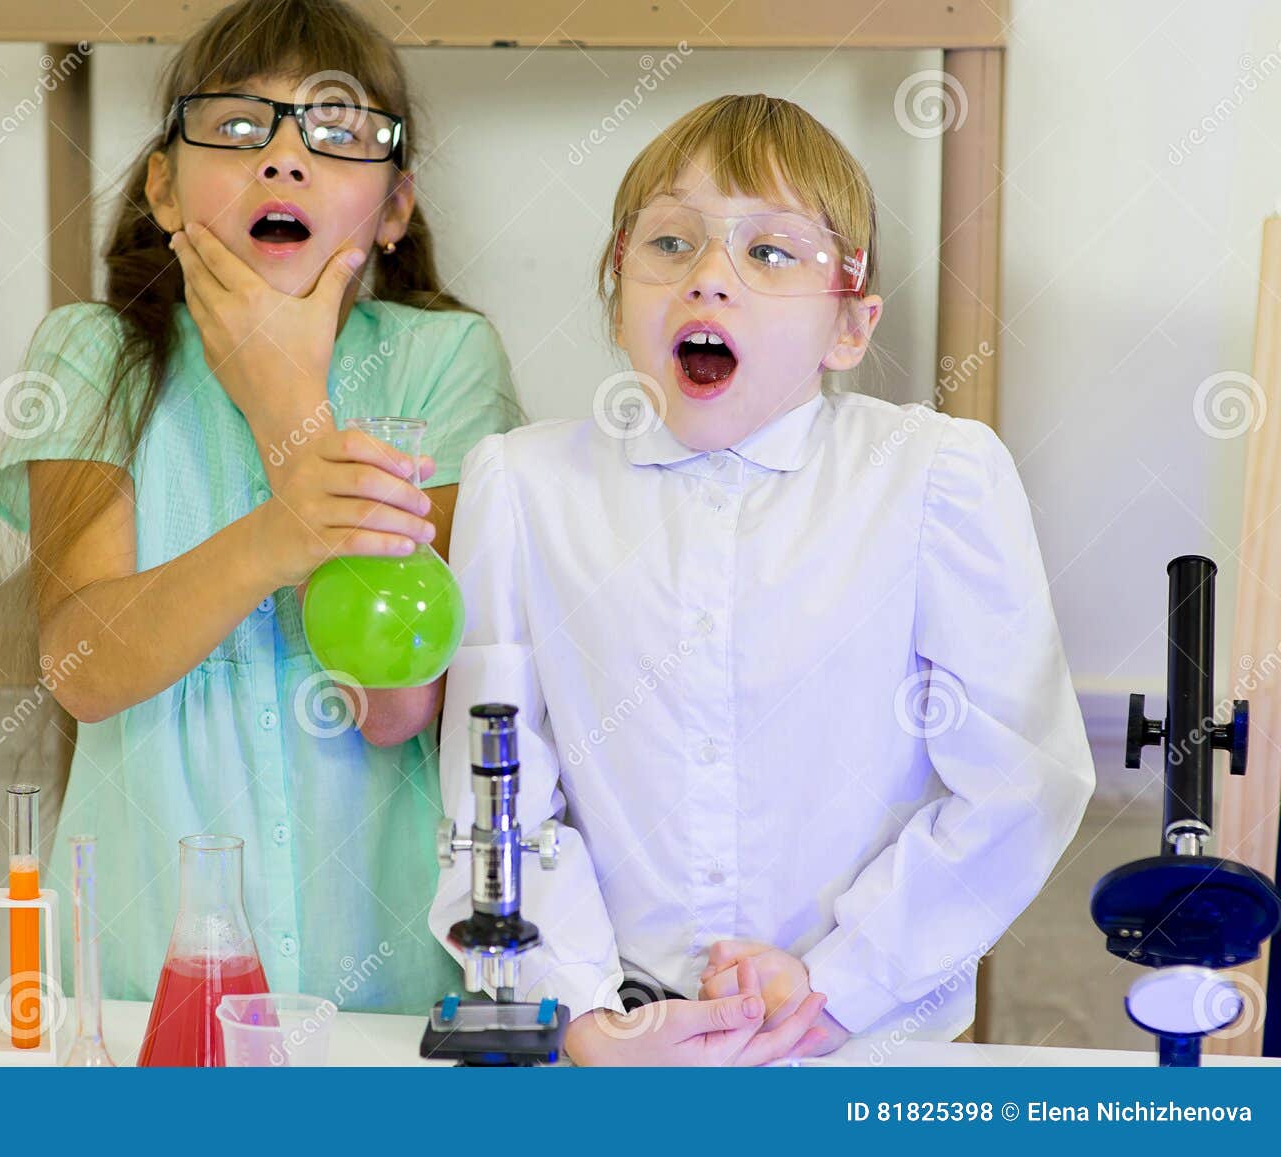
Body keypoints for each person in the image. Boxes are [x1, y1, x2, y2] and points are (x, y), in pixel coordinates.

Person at [427, 94, 1095, 1064]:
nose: (709, 277)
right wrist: (585, 1017)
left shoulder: (933, 477)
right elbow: (495, 793)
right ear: (616, 296)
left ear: (848, 327)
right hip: (610, 1050)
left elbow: (1021, 784)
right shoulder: (523, 487)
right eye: (670, 242)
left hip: (863, 1048)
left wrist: (833, 987)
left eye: (771, 251)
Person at [0, 0, 520, 1011]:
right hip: (142, 975)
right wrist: (281, 531)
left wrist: (286, 403)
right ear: (163, 187)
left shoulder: (444, 357)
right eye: (236, 127)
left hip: (381, 976)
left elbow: (396, 703)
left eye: (338, 133)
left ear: (395, 208)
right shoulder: (91, 351)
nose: (283, 159)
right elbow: (84, 667)